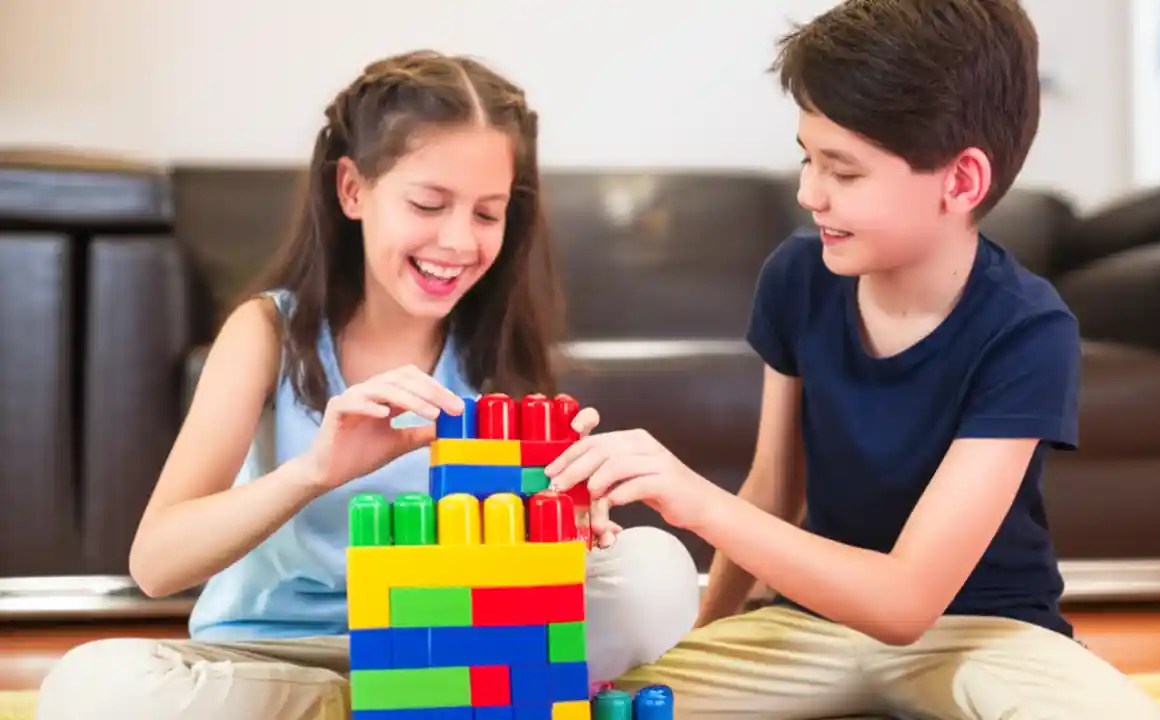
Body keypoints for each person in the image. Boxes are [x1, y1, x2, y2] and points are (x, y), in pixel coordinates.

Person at [545, 2, 1160, 718]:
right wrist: (705, 635)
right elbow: (775, 486)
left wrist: (695, 500)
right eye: (808, 158)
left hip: (985, 635)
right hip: (811, 626)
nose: (809, 193)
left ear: (961, 182)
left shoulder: (1029, 330)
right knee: (596, 702)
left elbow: (906, 603)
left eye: (843, 170)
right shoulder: (798, 277)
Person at [37, 50, 698, 720]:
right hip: (278, 660)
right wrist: (314, 471)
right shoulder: (267, 331)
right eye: (428, 203)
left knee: (657, 574)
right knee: (92, 685)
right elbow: (155, 565)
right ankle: (400, 707)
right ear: (351, 189)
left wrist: (567, 521)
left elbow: (520, 566)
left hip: (451, 642)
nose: (458, 241)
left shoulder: (499, 348)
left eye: (487, 213)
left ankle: (421, 699)